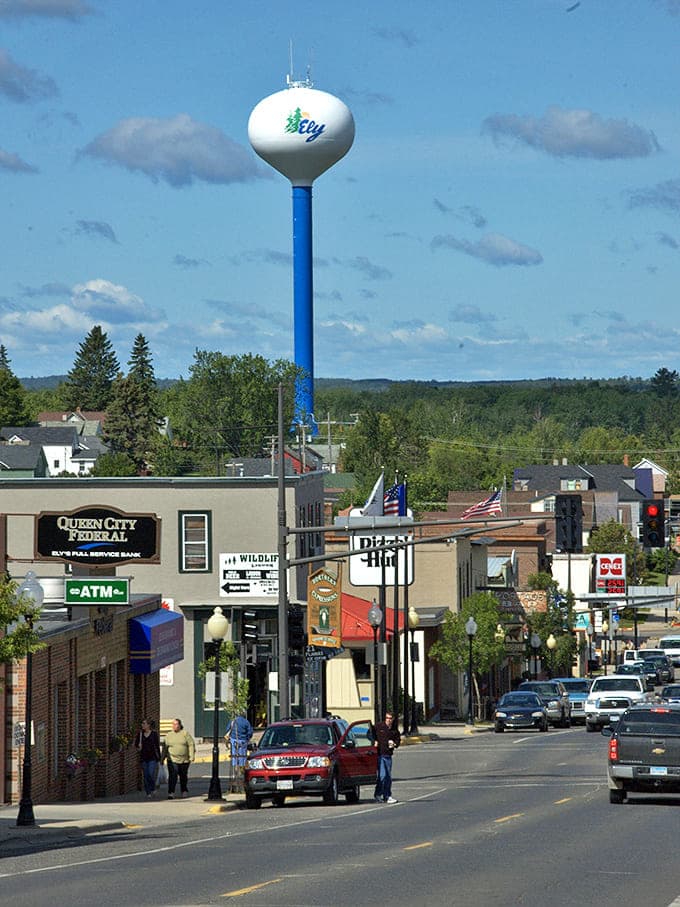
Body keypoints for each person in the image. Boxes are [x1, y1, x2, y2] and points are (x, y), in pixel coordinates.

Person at [163, 717, 195, 799]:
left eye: (176, 724)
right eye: (173, 724)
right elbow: (165, 747)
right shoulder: (169, 735)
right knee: (172, 776)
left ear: (180, 725)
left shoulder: (185, 734)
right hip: (172, 759)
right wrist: (162, 758)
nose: (174, 726)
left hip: (184, 760)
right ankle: (171, 792)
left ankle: (184, 790)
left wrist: (191, 756)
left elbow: (191, 744)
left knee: (183, 776)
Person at [373, 710, 401, 804]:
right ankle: (378, 794)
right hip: (380, 755)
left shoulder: (394, 730)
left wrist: (394, 744)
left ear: (393, 719)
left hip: (388, 755)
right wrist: (374, 741)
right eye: (387, 718)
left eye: (390, 718)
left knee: (388, 777)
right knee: (382, 776)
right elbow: (370, 734)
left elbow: (398, 740)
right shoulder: (379, 726)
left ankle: (387, 796)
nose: (388, 720)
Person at [225, 711, 253, 789]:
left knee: (234, 756)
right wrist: (247, 738)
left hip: (234, 741)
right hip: (243, 741)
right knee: (243, 757)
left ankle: (235, 772)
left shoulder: (233, 721)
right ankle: (242, 773)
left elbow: (227, 729)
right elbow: (250, 732)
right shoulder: (246, 722)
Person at [136, 718, 161, 799]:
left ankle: (153, 788)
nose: (142, 725)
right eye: (142, 723)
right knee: (146, 775)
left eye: (144, 723)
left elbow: (157, 746)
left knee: (150, 774)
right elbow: (136, 745)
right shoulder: (140, 734)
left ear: (148, 725)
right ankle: (148, 792)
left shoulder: (154, 734)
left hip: (152, 758)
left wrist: (159, 757)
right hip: (143, 757)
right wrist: (138, 746)